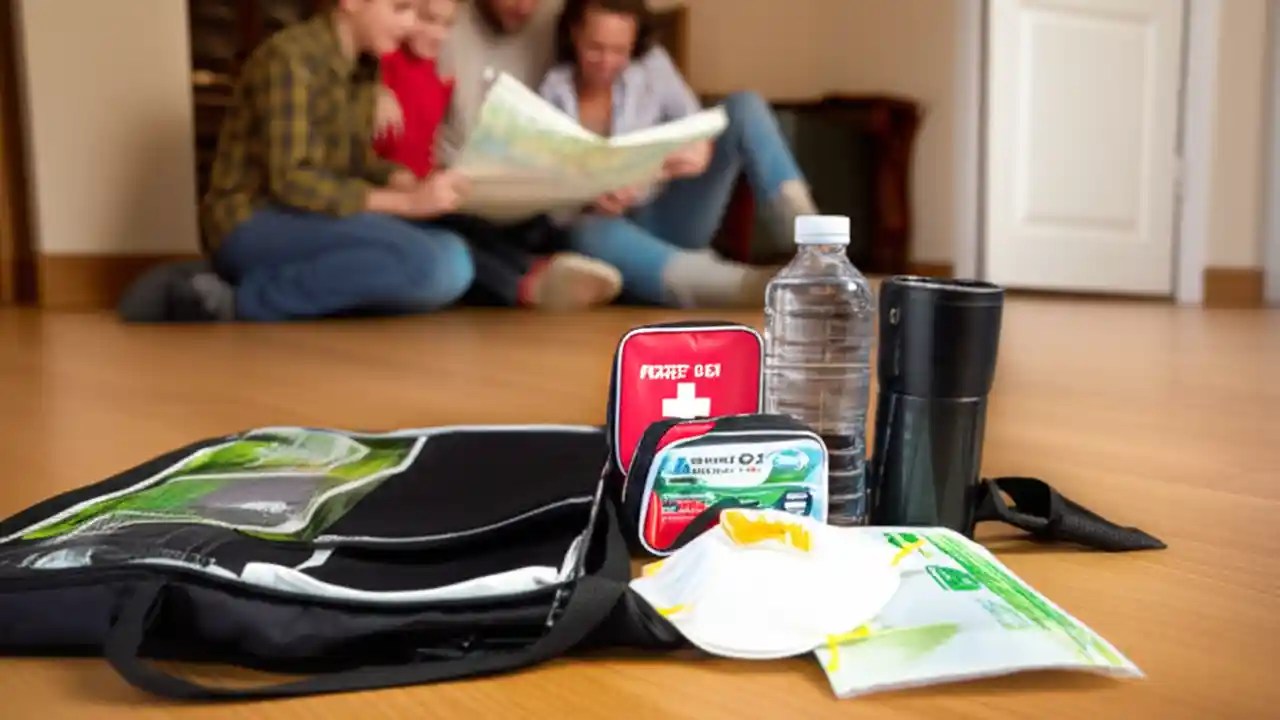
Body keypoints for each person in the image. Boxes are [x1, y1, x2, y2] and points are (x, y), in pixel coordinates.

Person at [137, 0, 476, 322]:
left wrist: (407, 182)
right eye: (401, 8)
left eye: (417, 12)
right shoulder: (290, 58)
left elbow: (354, 163)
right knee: (426, 266)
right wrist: (406, 203)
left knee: (454, 255)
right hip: (253, 219)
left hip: (314, 217)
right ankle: (237, 301)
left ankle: (274, 284)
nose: (410, 24)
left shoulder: (363, 65)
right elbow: (291, 179)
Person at [538, 0, 820, 307]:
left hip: (669, 214)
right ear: (574, 34)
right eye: (595, 48)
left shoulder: (652, 66)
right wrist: (590, 198)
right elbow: (550, 207)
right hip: (612, 235)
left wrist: (693, 151)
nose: (607, 62)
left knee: (744, 106)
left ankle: (814, 248)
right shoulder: (553, 94)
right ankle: (745, 287)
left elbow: (697, 128)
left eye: (620, 51)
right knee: (583, 235)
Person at [373, 0, 621, 310]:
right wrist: (377, 90)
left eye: (446, 26)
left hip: (429, 185)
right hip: (393, 192)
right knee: (457, 236)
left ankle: (541, 267)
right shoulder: (382, 64)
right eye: (425, 20)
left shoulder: (438, 75)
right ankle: (524, 286)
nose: (437, 34)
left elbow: (431, 141)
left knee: (478, 224)